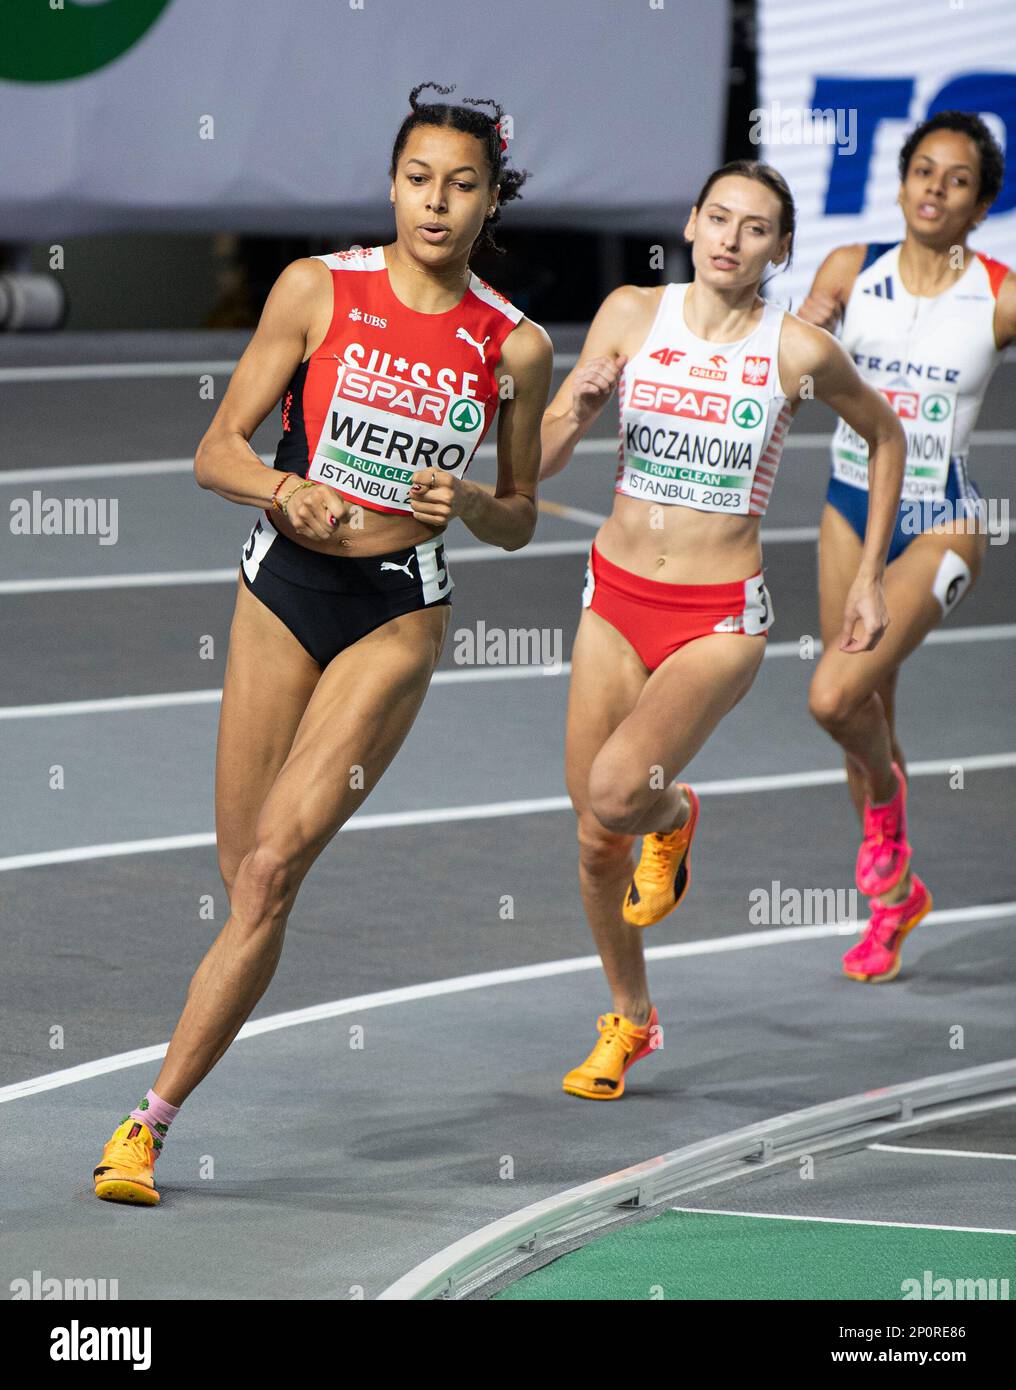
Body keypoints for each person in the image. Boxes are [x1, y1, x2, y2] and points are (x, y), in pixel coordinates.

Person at [92, 82, 553, 1203]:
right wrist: (284, 490)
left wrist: (471, 507)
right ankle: (207, 1024)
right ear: (390, 184)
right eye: (417, 180)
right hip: (279, 587)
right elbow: (215, 452)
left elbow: (519, 512)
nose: (435, 204)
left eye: (461, 186)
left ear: (491, 200)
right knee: (241, 870)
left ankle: (145, 1127)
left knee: (268, 868)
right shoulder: (316, 289)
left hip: (394, 609)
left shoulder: (514, 346)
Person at [540, 159, 906, 1100]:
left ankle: (674, 812)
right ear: (692, 223)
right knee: (592, 839)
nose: (730, 239)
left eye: (754, 228)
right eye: (717, 218)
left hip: (717, 618)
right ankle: (629, 1017)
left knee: (621, 796)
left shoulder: (797, 352)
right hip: (614, 597)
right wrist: (575, 411)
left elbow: (886, 436)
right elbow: (535, 463)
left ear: (780, 249)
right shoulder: (630, 313)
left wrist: (869, 575)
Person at [798, 112, 1015, 983]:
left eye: (956, 179)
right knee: (865, 714)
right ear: (899, 182)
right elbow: (802, 354)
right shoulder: (851, 271)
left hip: (943, 518)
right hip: (850, 510)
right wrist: (805, 327)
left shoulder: (999, 295)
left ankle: (887, 821)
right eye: (922, 171)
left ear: (982, 202)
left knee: (831, 692)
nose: (934, 188)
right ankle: (893, 905)